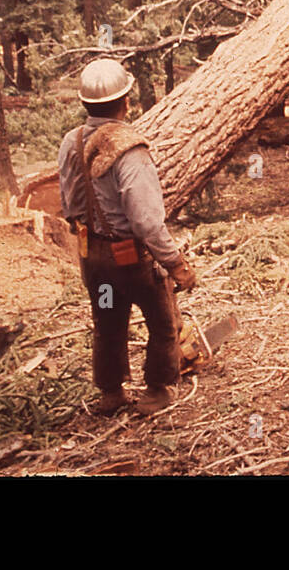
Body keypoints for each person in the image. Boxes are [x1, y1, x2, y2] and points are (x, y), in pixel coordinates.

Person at [58, 58, 197, 416]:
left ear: (85, 103)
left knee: (107, 320)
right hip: (131, 260)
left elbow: (70, 206)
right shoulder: (131, 150)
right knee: (162, 321)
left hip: (94, 259)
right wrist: (176, 264)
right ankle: (155, 392)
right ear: (126, 102)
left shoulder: (70, 142)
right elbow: (147, 223)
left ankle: (111, 392)